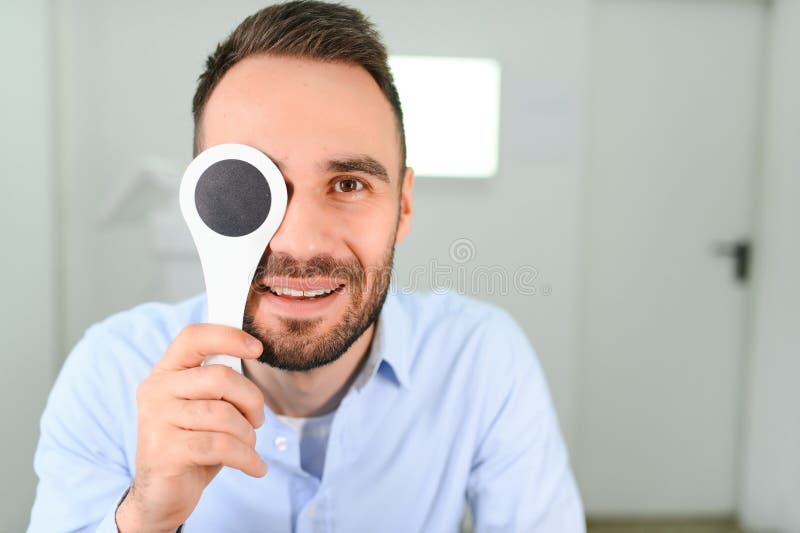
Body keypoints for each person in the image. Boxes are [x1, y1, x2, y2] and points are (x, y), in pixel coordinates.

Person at [27, 1, 585, 531]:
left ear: (404, 205)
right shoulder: (110, 372)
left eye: (348, 184)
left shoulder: (482, 361)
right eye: (254, 186)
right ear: (202, 201)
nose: (299, 241)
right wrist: (143, 519)